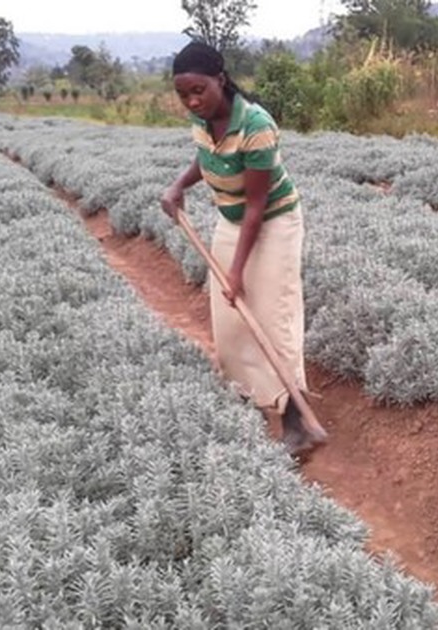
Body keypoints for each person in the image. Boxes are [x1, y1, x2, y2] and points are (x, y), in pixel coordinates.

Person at [159, 40, 321, 456]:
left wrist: (236, 272)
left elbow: (256, 207)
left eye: (199, 91)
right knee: (229, 321)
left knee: (272, 315)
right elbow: (206, 158)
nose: (192, 101)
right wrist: (179, 186)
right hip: (232, 221)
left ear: (221, 80)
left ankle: (296, 421)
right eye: (183, 94)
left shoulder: (256, 125)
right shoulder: (203, 121)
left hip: (272, 224)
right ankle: (247, 404)